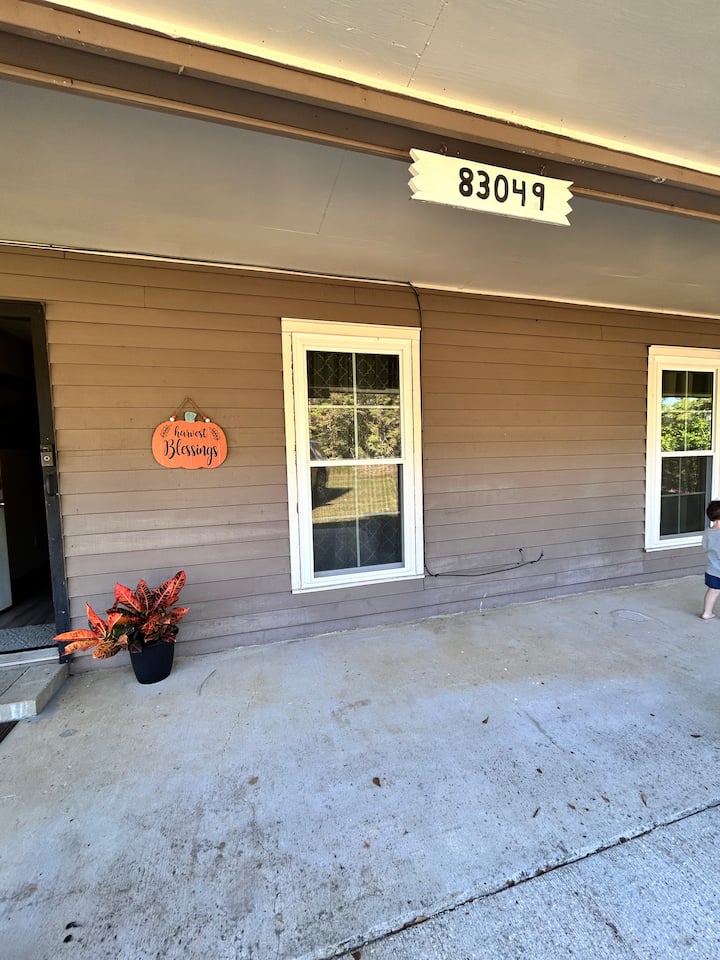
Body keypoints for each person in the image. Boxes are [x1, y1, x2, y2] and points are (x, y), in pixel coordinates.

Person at [701, 500, 720, 619]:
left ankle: (706, 613)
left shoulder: (708, 532)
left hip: (712, 570)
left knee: (713, 590)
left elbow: (705, 546)